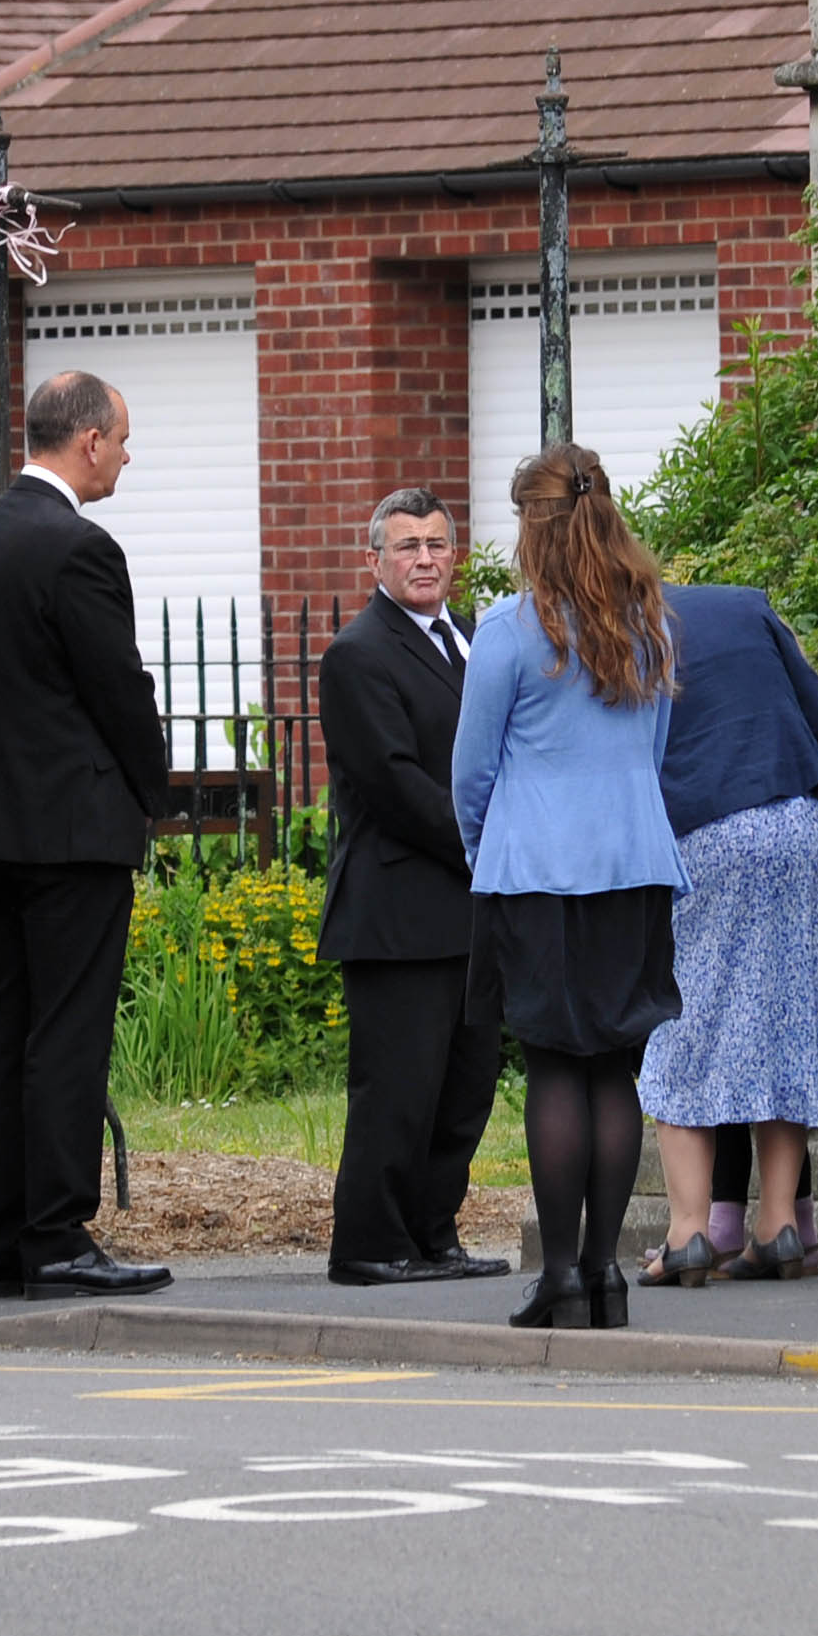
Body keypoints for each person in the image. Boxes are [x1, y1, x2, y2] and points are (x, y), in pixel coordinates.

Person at [0, 371, 179, 1301]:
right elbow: (116, 686)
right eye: (121, 439)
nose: (126, 454)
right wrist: (150, 789)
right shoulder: (78, 546)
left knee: (4, 1027)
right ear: (86, 442)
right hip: (74, 827)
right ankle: (56, 1233)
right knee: (68, 1032)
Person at [451, 443, 684, 1331]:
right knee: (614, 1067)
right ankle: (607, 1273)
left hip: (538, 870)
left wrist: (489, 847)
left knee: (554, 1066)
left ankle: (558, 1276)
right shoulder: (649, 620)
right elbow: (655, 753)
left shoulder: (512, 630)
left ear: (531, 526)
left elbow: (472, 772)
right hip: (633, 862)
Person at [637, 582, 818, 1286]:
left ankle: (688, 1234)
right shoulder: (744, 605)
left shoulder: (617, 626)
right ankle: (780, 1225)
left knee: (683, 1024)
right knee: (788, 1021)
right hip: (803, 821)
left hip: (710, 827)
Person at [317, 486, 505, 1285]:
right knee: (398, 1088)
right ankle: (371, 1244)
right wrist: (490, 843)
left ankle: (434, 1234)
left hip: (469, 911)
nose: (424, 559)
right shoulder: (357, 653)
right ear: (376, 561)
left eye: (436, 544)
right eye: (407, 547)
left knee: (464, 1087)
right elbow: (393, 784)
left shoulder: (472, 640)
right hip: (398, 910)